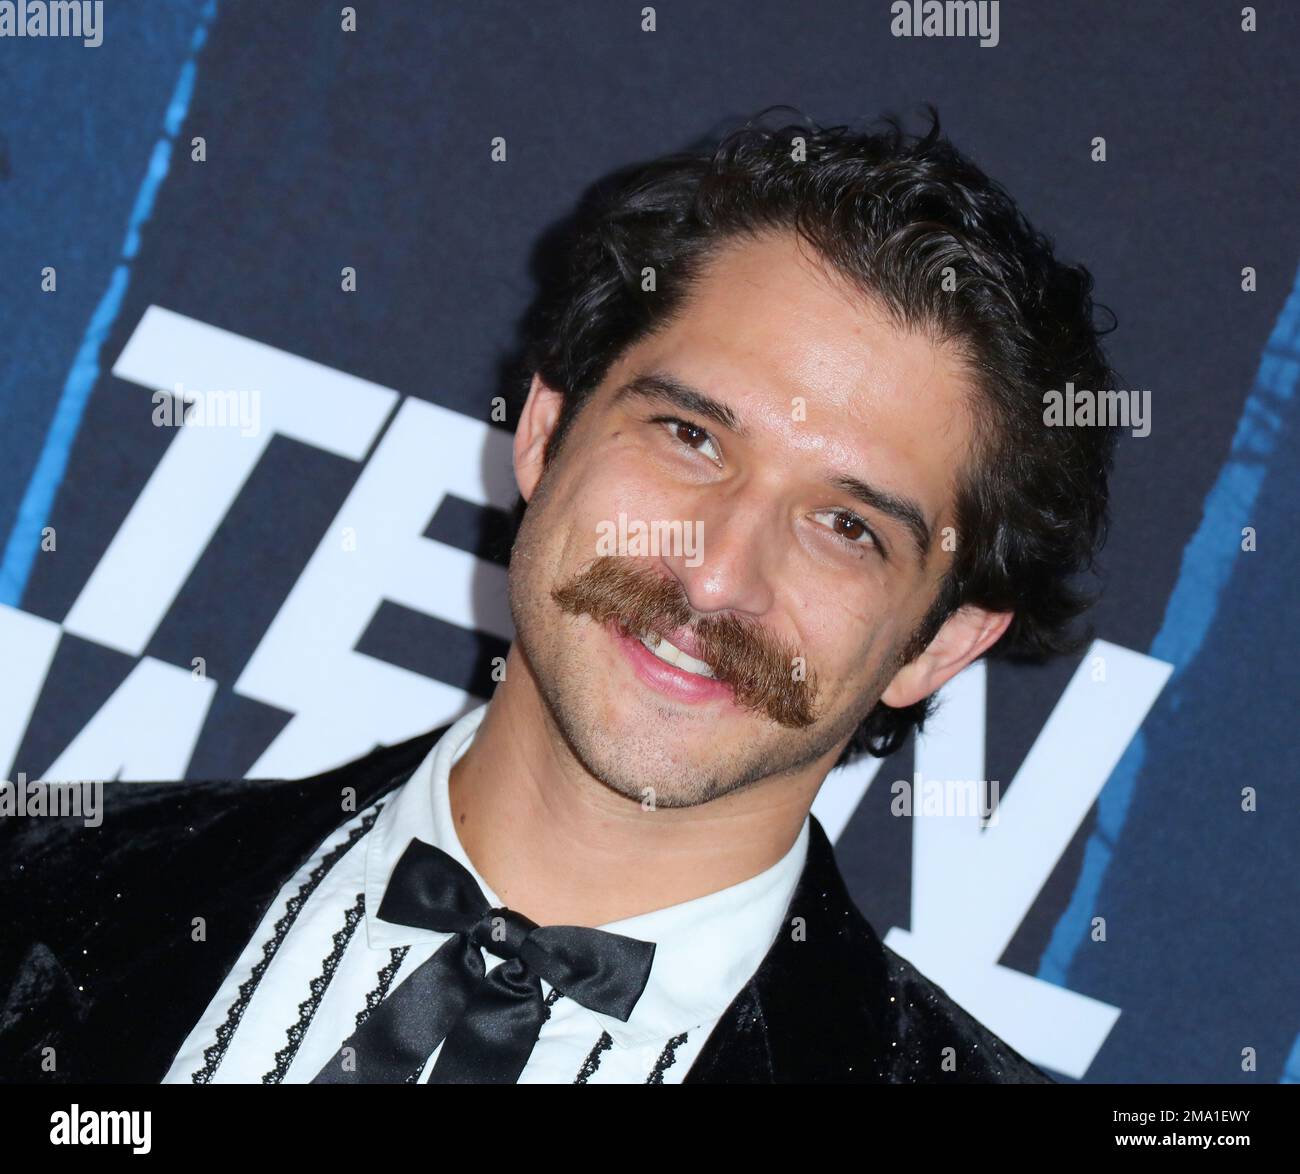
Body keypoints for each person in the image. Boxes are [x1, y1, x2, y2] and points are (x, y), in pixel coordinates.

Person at [0, 106, 1119, 1084]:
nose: (716, 573)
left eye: (846, 527)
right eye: (689, 435)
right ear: (544, 430)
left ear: (940, 642)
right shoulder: (40, 895)